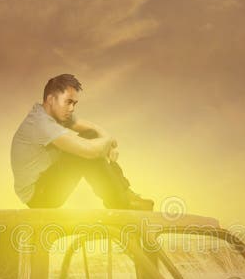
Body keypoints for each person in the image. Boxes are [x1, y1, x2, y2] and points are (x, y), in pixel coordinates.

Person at [11, 74, 154, 210]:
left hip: (47, 180)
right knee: (84, 152)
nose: (72, 108)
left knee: (90, 136)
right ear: (50, 99)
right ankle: (120, 202)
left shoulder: (50, 113)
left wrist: (108, 141)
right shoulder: (41, 124)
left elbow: (92, 129)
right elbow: (91, 151)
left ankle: (124, 193)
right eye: (68, 102)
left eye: (74, 103)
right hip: (39, 196)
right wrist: (106, 144)